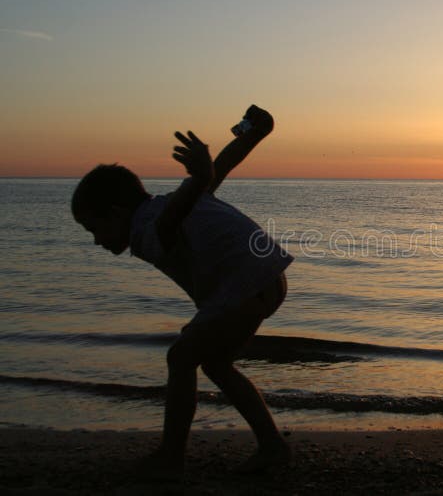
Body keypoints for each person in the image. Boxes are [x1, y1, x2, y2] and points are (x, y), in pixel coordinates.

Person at [71, 105, 293, 479]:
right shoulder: (176, 199)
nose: (96, 241)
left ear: (115, 212)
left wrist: (202, 173)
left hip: (244, 286)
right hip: (265, 279)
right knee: (215, 364)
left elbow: (174, 218)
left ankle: (171, 457)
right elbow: (221, 168)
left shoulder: (147, 229)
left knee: (181, 358)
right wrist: (254, 135)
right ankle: (272, 447)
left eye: (94, 228)